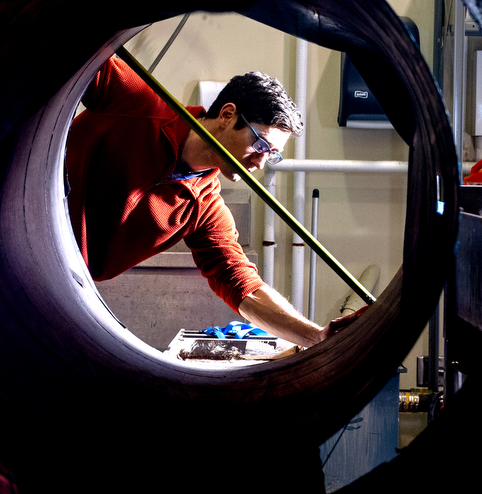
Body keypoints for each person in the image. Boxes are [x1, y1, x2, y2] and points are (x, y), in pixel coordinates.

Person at [65, 54, 358, 346]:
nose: (260, 162)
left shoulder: (204, 208)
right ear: (227, 115)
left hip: (62, 283)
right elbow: (77, 48)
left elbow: (244, 287)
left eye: (271, 154)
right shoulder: (140, 102)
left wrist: (317, 337)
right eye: (260, 144)